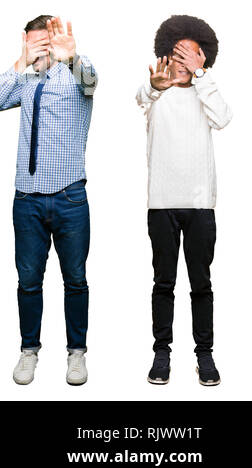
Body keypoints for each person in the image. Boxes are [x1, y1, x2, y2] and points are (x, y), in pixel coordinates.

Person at [0, 15, 97, 386]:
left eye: (46, 43)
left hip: (69, 198)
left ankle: (76, 353)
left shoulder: (76, 76)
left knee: (75, 279)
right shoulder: (26, 79)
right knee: (29, 280)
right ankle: (29, 350)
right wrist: (20, 62)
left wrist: (71, 56)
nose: (41, 51)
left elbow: (92, 82)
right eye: (35, 44)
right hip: (27, 199)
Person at [137, 15, 231, 386]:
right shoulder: (156, 92)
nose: (183, 62)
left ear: (203, 60)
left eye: (191, 57)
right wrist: (153, 84)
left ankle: (204, 355)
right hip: (161, 205)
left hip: (200, 206)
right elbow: (141, 96)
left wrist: (203, 77)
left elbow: (224, 118)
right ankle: (162, 353)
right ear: (166, 55)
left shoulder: (206, 93)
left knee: (201, 284)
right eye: (178, 54)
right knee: (164, 283)